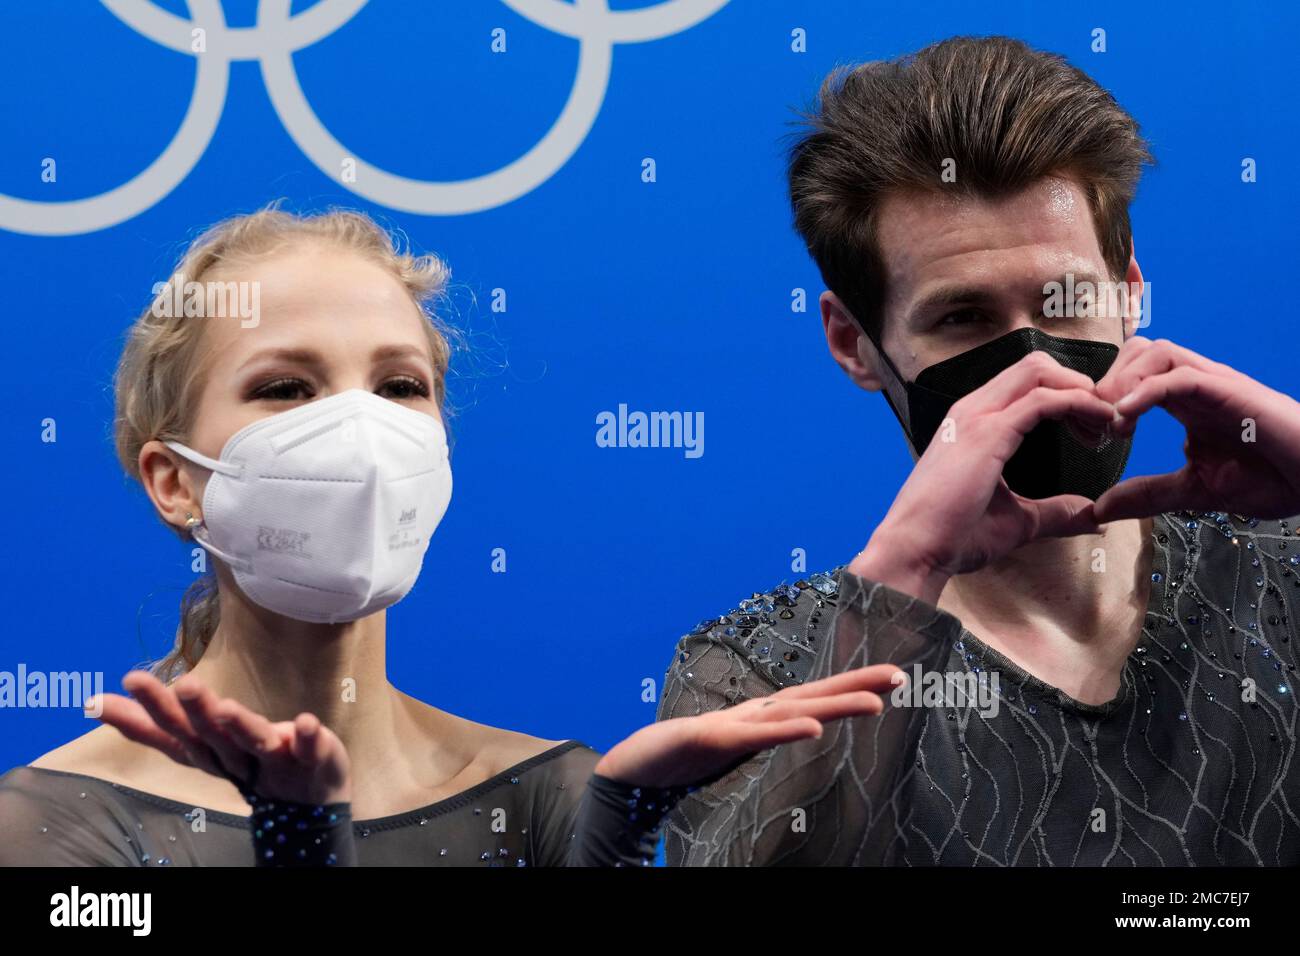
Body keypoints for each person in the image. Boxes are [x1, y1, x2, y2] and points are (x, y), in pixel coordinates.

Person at [0, 205, 901, 866]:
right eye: (286, 389)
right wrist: (299, 844)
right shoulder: (54, 824)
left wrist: (616, 842)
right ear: (174, 481)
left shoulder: (553, 795)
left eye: (397, 388)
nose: (358, 433)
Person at [657, 36, 1300, 866]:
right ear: (854, 343)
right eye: (961, 317)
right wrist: (897, 589)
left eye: (1067, 300)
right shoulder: (754, 672)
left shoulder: (1283, 567)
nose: (1035, 362)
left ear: (1131, 294)